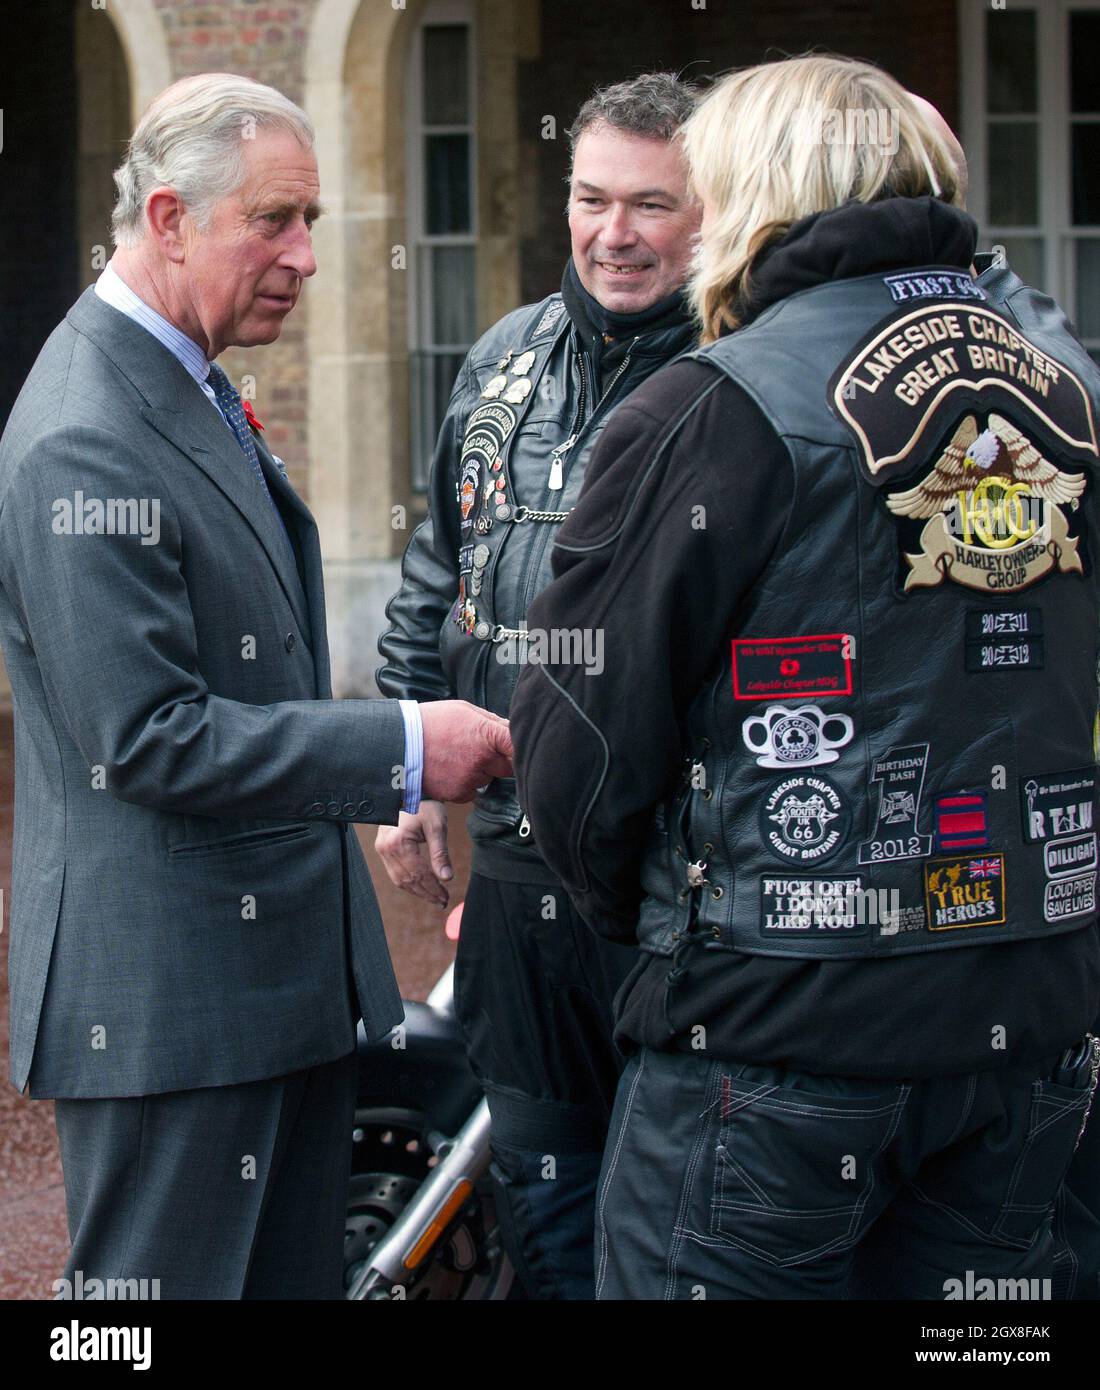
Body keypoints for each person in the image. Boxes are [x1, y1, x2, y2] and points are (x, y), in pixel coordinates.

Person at [512, 55, 1100, 1299]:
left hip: (775, 1036)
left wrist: (666, 936)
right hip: (1027, 1024)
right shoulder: (1076, 389)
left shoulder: (711, 405)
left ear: (758, 192)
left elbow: (576, 739)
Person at [0, 73, 511, 1300]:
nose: (303, 256)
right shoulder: (85, 428)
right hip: (170, 1008)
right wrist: (400, 746)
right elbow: (149, 740)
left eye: (314, 223)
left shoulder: (178, 376)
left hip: (266, 995)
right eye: (272, 221)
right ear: (169, 219)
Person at [375, 73, 700, 1299]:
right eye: (590, 197)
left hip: (681, 884)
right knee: (545, 1202)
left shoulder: (740, 370)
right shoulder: (501, 359)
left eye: (650, 205)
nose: (612, 233)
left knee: (682, 1213)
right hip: (518, 873)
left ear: (709, 212)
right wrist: (401, 772)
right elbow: (434, 572)